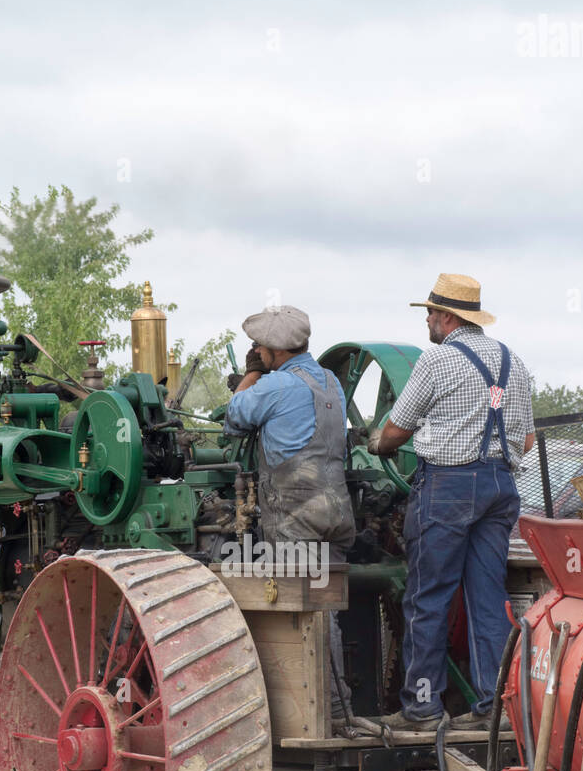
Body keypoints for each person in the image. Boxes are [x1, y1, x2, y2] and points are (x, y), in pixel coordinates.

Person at [369, 273, 535, 732]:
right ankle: (495, 709)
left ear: (445, 318)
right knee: (489, 598)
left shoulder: (437, 360)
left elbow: (396, 431)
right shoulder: (513, 362)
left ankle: (422, 709)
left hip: (447, 490)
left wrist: (377, 445)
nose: (426, 320)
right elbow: (528, 438)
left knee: (429, 597)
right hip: (502, 489)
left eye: (429, 312)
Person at [224, 303, 358, 732]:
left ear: (272, 351)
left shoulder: (275, 385)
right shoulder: (330, 381)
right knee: (328, 608)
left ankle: (322, 714)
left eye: (258, 346)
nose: (256, 349)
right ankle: (339, 707)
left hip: (295, 518)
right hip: (335, 511)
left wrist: (249, 375)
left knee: (305, 614)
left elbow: (233, 418)